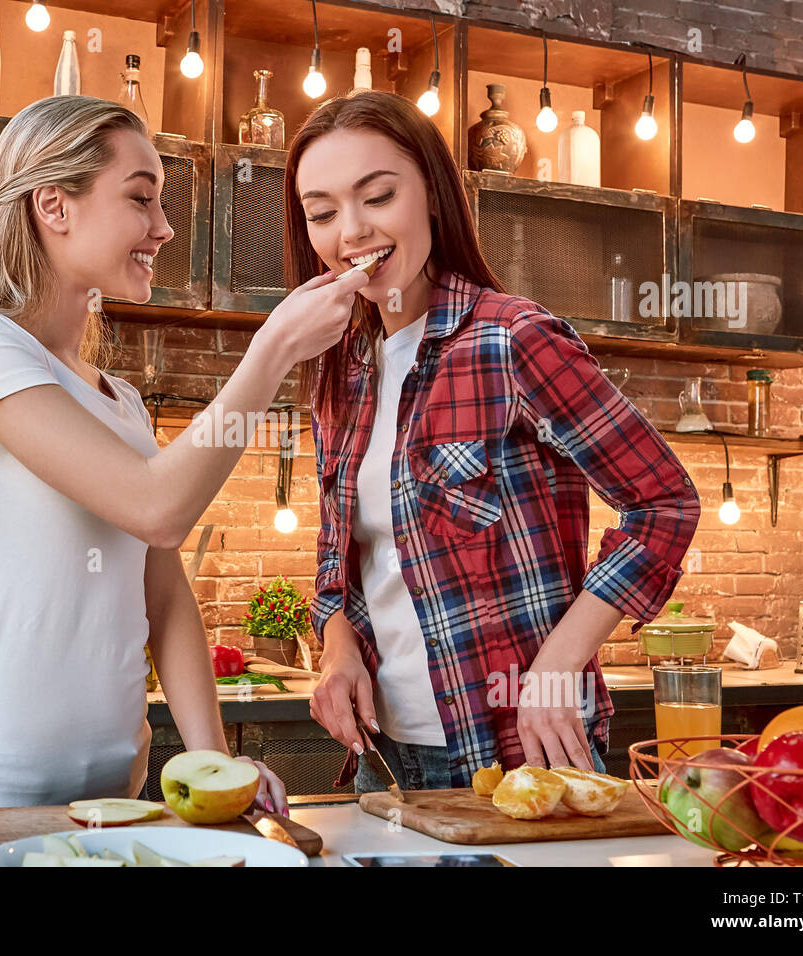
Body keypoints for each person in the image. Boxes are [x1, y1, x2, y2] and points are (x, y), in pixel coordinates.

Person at [0, 95, 371, 809]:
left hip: (117, 792)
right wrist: (274, 351)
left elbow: (165, 597)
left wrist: (216, 762)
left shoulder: (120, 402)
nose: (164, 228)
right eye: (141, 199)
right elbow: (158, 509)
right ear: (55, 206)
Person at [288, 91, 702, 793]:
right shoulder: (343, 375)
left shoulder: (511, 340)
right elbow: (339, 561)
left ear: (434, 196)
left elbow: (664, 503)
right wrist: (336, 652)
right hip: (385, 762)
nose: (351, 232)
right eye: (323, 213)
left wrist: (556, 666)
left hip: (521, 754)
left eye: (378, 196)